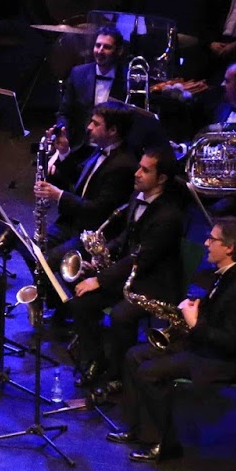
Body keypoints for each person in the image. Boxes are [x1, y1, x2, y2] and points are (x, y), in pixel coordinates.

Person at [107, 217, 236, 462]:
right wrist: (196, 309)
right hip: (205, 346)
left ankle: (167, 444)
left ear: (229, 248)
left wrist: (193, 322)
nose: (205, 243)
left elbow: (230, 343)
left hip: (222, 360)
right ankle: (142, 430)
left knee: (149, 372)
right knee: (133, 355)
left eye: (212, 239)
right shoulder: (226, 274)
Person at [66, 149, 187, 397]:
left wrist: (99, 279)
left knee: (121, 316)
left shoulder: (169, 216)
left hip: (153, 282)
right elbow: (125, 239)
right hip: (129, 274)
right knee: (80, 302)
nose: (137, 173)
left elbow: (142, 258)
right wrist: (100, 257)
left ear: (162, 178)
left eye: (145, 170)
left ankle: (118, 376)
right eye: (138, 166)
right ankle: (95, 359)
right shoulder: (137, 196)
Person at [35, 101, 138, 264]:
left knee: (49, 260)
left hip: (92, 234)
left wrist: (58, 195)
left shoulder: (123, 165)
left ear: (112, 130)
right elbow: (79, 178)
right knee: (34, 248)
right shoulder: (101, 148)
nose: (89, 127)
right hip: (74, 222)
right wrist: (64, 152)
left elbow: (97, 210)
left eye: (96, 124)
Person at [58, 26, 126, 147]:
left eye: (107, 47)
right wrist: (64, 135)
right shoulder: (78, 73)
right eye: (98, 45)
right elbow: (64, 113)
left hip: (112, 148)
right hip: (79, 145)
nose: (100, 51)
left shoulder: (127, 79)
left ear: (119, 51)